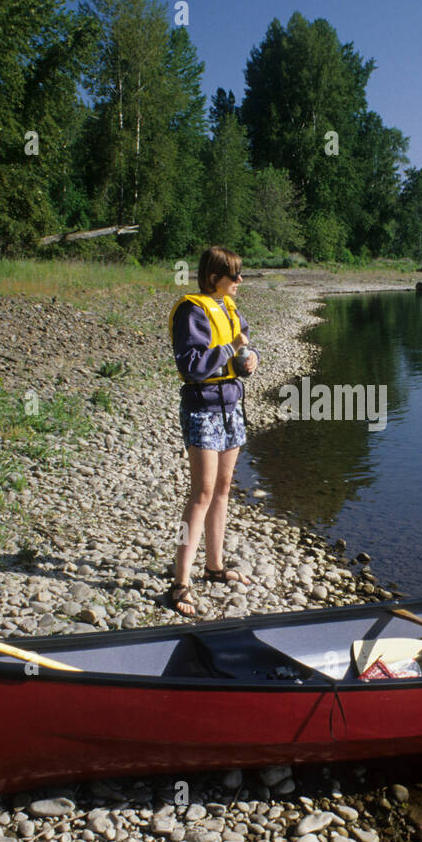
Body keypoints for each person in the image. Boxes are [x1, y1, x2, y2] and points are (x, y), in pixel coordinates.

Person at [166, 246, 260, 617]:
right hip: (202, 409)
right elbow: (191, 365)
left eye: (240, 274)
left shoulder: (230, 308)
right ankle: (179, 580)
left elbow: (244, 345)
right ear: (213, 279)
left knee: (222, 488)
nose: (239, 281)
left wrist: (251, 358)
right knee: (201, 493)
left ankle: (215, 566)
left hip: (231, 407)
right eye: (233, 275)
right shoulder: (192, 310)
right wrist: (227, 351)